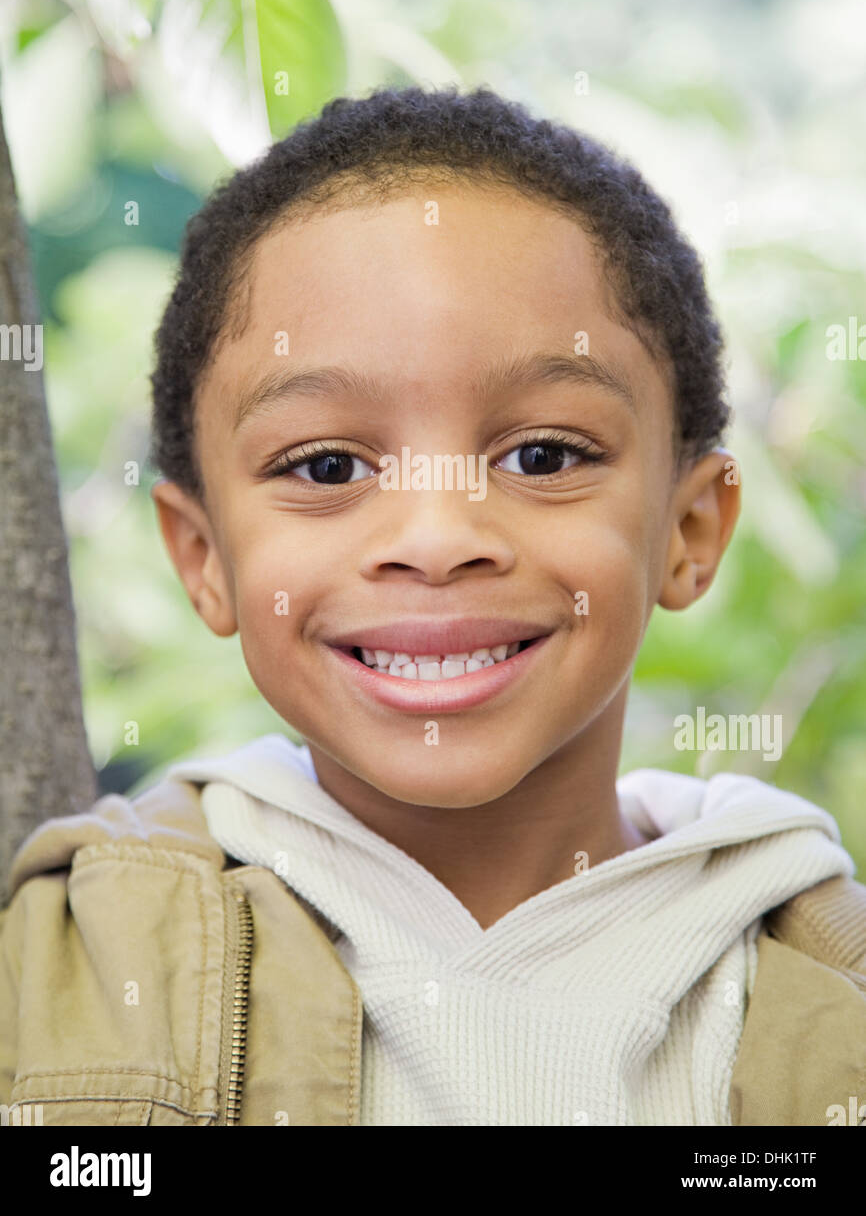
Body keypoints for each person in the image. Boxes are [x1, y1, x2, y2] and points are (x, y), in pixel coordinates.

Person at [2, 86, 864, 1127]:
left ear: (686, 531)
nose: (436, 539)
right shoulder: (66, 976)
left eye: (541, 455)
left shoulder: (828, 988)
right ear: (203, 557)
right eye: (325, 464)